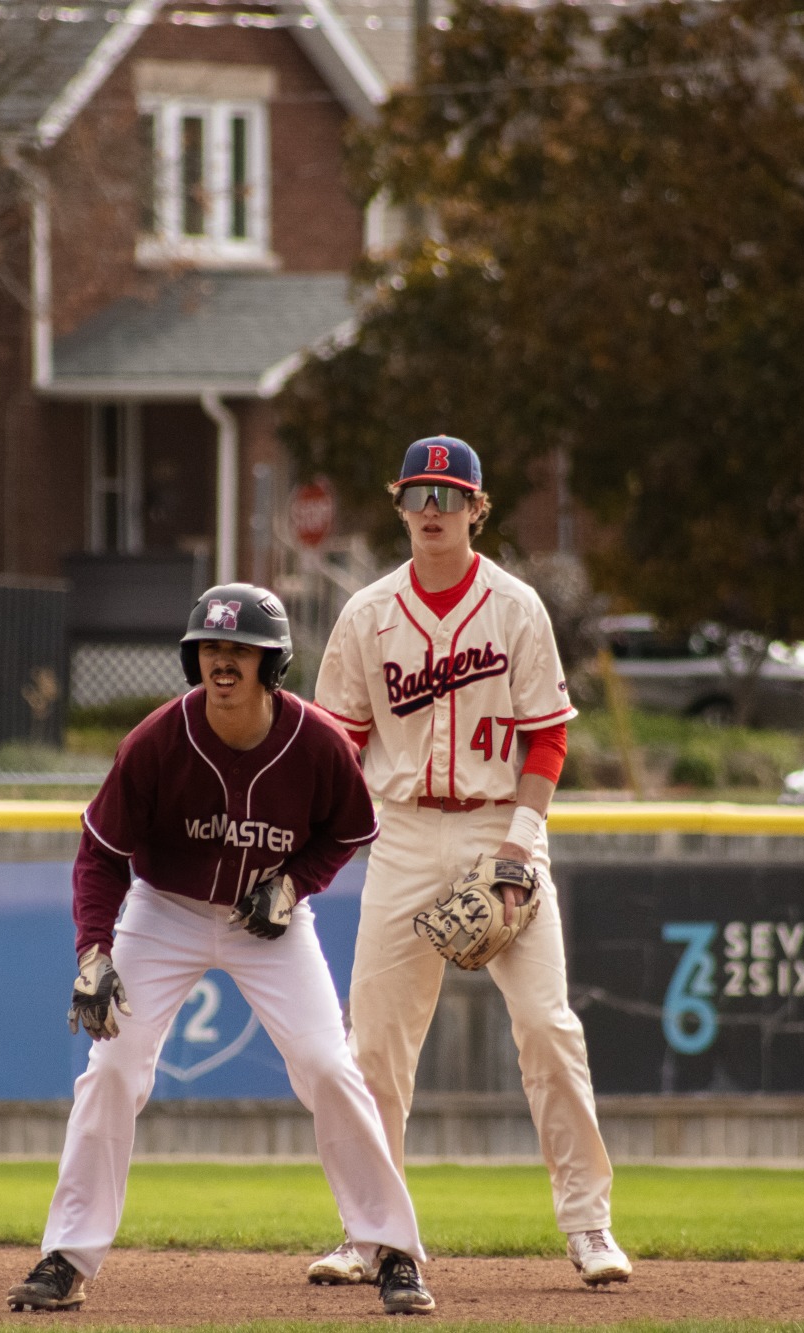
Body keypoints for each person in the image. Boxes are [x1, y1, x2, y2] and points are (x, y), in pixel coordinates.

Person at [7, 583, 436, 1317]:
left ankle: (392, 1250)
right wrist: (92, 952)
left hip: (267, 920)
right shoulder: (156, 740)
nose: (223, 660)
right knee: (111, 1068)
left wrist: (297, 883)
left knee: (330, 1066)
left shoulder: (318, 741)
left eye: (240, 648)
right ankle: (68, 1255)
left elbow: (349, 831)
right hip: (164, 911)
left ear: (273, 664)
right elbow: (101, 854)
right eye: (211, 646)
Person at [309, 437, 632, 1288]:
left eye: (449, 495)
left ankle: (589, 1224)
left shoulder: (516, 607)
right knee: (373, 1041)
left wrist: (521, 845)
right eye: (419, 493)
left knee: (548, 1026)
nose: (433, 509)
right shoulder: (368, 614)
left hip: (500, 825)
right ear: (400, 504)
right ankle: (370, 1230)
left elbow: (548, 735)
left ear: (476, 510)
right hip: (405, 829)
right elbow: (338, 740)